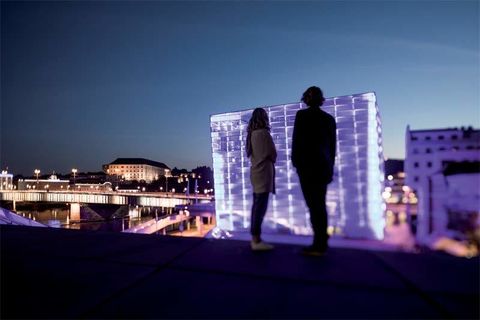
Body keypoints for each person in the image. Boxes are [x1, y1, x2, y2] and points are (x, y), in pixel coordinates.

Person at [292, 86, 337, 256]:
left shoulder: (301, 115)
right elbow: (333, 149)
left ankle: (319, 243)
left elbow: (296, 142)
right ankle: (321, 241)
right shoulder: (329, 119)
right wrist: (330, 169)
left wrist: (296, 163)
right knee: (319, 205)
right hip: (322, 168)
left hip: (307, 167)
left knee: (313, 205)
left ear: (306, 99)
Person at [246, 108, 277, 251]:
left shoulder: (251, 134)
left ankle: (255, 238)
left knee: (256, 206)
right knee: (260, 207)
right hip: (264, 173)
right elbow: (272, 153)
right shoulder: (263, 133)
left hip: (256, 174)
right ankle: (256, 240)